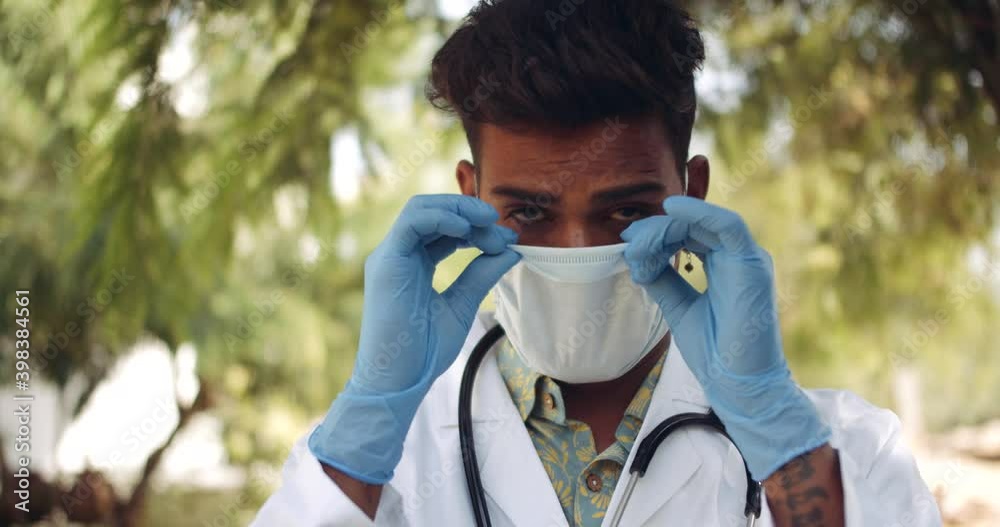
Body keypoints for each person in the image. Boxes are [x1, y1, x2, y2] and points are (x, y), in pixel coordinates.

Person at [253, 1, 942, 525]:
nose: (577, 252)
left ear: (693, 194)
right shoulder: (379, 462)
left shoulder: (846, 451)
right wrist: (368, 416)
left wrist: (776, 432)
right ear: (471, 199)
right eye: (529, 213)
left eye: (626, 212)